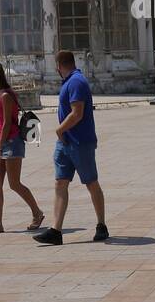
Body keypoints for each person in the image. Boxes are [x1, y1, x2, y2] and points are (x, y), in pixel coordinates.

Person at [34, 50, 107, 245]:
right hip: (65, 143)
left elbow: (77, 113)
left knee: (91, 183)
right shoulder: (69, 82)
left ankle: (102, 225)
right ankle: (55, 230)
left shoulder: (76, 82)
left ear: (59, 66)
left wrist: (59, 130)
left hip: (79, 142)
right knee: (60, 183)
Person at [0, 61, 44, 235]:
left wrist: (0, 147)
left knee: (14, 183)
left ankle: (37, 213)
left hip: (11, 142)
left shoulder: (6, 96)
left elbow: (8, 123)